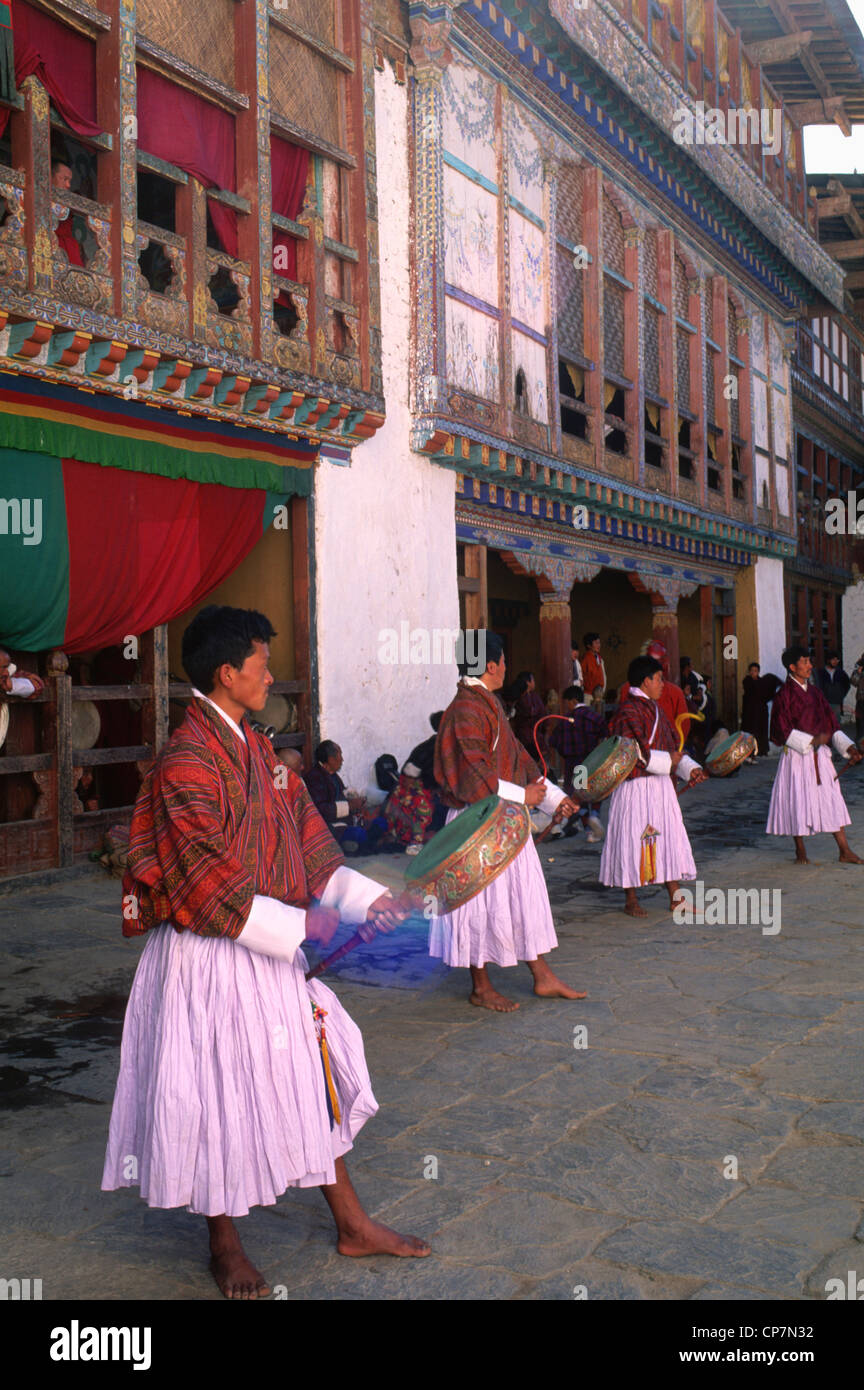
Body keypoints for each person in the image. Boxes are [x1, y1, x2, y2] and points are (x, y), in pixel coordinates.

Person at [102, 606, 429, 1299]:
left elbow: (309, 843)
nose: (271, 674)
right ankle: (224, 1243)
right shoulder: (185, 762)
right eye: (261, 662)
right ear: (228, 674)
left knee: (316, 1074)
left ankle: (351, 1222)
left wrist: (369, 901)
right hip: (209, 953)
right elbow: (203, 880)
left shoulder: (259, 750)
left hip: (269, 946)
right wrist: (310, 927)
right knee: (217, 1093)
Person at [429, 630, 585, 1012]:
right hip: (474, 823)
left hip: (502, 818)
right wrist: (524, 796)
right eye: (503, 663)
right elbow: (473, 774)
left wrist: (553, 798)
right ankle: (481, 987)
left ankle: (542, 975)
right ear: (492, 666)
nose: (506, 669)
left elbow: (518, 756)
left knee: (520, 896)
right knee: (477, 904)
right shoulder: (466, 708)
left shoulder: (487, 703)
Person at [600, 654, 706, 918]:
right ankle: (631, 899)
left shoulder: (657, 709)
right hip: (635, 786)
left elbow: (672, 744)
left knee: (667, 836)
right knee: (632, 838)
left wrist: (689, 768)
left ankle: (676, 897)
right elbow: (630, 752)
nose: (662, 684)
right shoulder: (627, 711)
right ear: (645, 681)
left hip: (660, 786)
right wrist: (668, 761)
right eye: (658, 679)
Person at [766, 645, 862, 865]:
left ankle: (844, 850)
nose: (810, 666)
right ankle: (800, 850)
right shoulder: (784, 696)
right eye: (805, 662)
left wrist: (848, 748)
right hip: (797, 757)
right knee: (796, 800)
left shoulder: (816, 693)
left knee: (832, 798)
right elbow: (782, 730)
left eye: (810, 661)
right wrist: (811, 741)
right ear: (792, 667)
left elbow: (831, 723)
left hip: (821, 756)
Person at [548, 684, 606, 842]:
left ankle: (588, 827)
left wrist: (565, 751)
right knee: (595, 791)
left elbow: (553, 741)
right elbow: (606, 730)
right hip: (593, 762)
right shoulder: (593, 716)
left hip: (575, 765)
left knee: (577, 796)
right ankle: (594, 815)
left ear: (573, 701)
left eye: (566, 702)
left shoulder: (566, 720)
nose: (566, 706)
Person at [385, 712, 444, 854]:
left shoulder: (438, 745)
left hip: (422, 790)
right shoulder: (431, 748)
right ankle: (415, 841)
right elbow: (409, 775)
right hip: (415, 791)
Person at [304, 740, 365, 843]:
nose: (342, 759)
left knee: (380, 823)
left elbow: (340, 797)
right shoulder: (315, 778)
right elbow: (321, 809)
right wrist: (350, 806)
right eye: (340, 755)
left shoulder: (333, 775)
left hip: (345, 821)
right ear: (331, 760)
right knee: (359, 834)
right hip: (329, 827)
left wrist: (357, 804)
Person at [741, 662, 782, 757]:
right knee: (750, 732)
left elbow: (766, 695)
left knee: (761, 732)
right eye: (751, 671)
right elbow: (753, 693)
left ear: (758, 672)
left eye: (755, 671)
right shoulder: (747, 681)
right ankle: (749, 753)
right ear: (749, 672)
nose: (753, 673)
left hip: (761, 712)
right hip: (750, 713)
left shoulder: (762, 682)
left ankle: (761, 751)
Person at [51, 160, 85, 267]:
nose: (68, 185)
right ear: (49, 176)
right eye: (65, 179)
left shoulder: (69, 201)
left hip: (68, 249)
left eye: (69, 181)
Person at [511, 670, 548, 760]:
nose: (534, 683)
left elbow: (542, 713)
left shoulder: (534, 696)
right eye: (533, 680)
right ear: (528, 682)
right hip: (524, 736)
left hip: (536, 734)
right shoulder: (518, 697)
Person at [817, 651, 851, 722]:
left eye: (837, 660)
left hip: (836, 702)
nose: (835, 661)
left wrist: (840, 695)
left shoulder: (841, 673)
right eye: (833, 659)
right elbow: (817, 685)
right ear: (828, 660)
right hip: (823, 702)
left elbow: (847, 684)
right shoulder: (820, 672)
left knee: (836, 723)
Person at [582, 633, 606, 701]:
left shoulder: (598, 658)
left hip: (599, 694)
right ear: (589, 645)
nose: (599, 645)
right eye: (596, 643)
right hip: (589, 695)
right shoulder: (586, 659)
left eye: (599, 643)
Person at [851, 653, 864, 743]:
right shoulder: (859, 667)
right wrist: (858, 673)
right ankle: (860, 748)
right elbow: (853, 682)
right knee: (860, 725)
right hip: (861, 701)